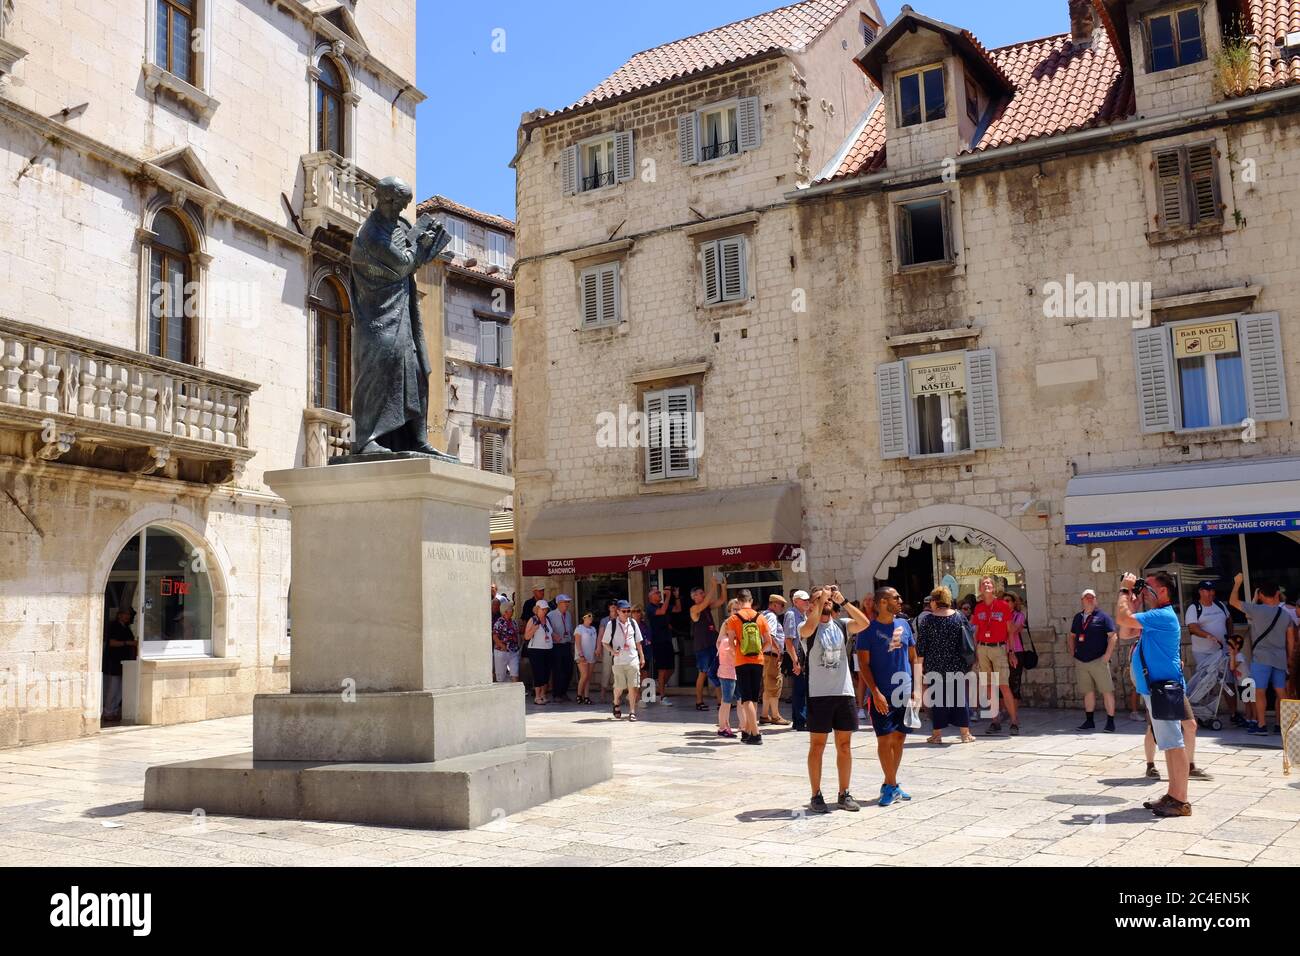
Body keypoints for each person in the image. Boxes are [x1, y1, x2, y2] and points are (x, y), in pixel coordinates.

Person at [1116, 571, 1195, 817]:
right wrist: (1136, 602)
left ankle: (1181, 800)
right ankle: (1173, 795)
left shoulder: (1162, 615)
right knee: (1169, 744)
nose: (1144, 590)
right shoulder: (1154, 617)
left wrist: (1124, 591)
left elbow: (1122, 617)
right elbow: (1125, 632)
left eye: (1148, 587)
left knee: (1174, 742)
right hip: (1156, 688)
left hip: (1163, 687)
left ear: (1162, 591)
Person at [799, 586, 870, 812]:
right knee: (817, 746)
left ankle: (844, 793)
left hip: (844, 693)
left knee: (845, 745)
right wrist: (819, 601)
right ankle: (816, 794)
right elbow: (809, 628)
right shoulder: (805, 627)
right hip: (819, 694)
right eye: (819, 599)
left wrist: (844, 601)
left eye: (827, 599)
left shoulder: (841, 625)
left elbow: (865, 623)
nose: (826, 601)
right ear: (811, 604)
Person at [857, 586, 920, 806]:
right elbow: (863, 664)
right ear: (883, 602)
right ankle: (892, 786)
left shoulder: (904, 625)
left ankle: (890, 784)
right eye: (896, 597)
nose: (900, 600)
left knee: (900, 738)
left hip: (905, 691)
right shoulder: (867, 629)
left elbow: (914, 658)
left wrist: (917, 688)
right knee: (884, 738)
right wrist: (875, 693)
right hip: (882, 694)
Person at [1229, 574, 1296, 736]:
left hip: (1261, 658)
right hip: (1280, 658)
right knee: (1281, 692)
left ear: (1261, 595)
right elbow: (1291, 641)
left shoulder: (1257, 610)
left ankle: (1261, 724)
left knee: (1260, 691)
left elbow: (1233, 602)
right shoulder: (1285, 615)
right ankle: (1283, 725)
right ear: (1277, 594)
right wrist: (1290, 660)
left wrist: (1237, 583)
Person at [917, 587, 975, 744]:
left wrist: (919, 668)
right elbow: (969, 638)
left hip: (935, 666)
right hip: (957, 665)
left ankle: (937, 735)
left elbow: (921, 647)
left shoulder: (927, 620)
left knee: (938, 701)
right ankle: (965, 734)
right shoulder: (959, 617)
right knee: (960, 699)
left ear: (935, 602)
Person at [721, 590, 771, 745]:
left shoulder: (733, 619)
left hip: (741, 661)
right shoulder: (761, 617)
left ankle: (755, 734)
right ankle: (747, 731)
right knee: (754, 698)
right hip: (758, 660)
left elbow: (730, 643)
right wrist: (759, 650)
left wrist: (739, 649)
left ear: (739, 600)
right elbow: (769, 641)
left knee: (746, 699)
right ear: (751, 600)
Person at [971, 576, 1019, 735]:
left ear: (993, 587)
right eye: (983, 583)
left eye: (989, 583)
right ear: (980, 589)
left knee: (1004, 685)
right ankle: (995, 721)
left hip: (999, 648)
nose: (986, 585)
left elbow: (1010, 631)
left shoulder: (1003, 605)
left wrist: (1011, 652)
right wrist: (975, 652)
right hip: (983, 648)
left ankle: (1014, 722)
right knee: (989, 687)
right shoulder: (978, 608)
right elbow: (976, 631)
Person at [1070, 588, 1118, 732]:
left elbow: (1113, 636)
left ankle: (1110, 722)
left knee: (1106, 691)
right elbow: (1071, 636)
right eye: (1086, 598)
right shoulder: (1078, 617)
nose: (1089, 600)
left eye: (1092, 598)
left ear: (1096, 600)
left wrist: (1107, 655)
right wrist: (1072, 652)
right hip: (1081, 661)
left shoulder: (1103, 617)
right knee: (1088, 691)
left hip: (1098, 660)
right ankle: (1089, 721)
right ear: (1082, 601)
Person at [603, 600, 645, 721]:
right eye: (624, 611)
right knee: (620, 686)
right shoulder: (612, 624)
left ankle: (632, 711)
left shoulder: (633, 623)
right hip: (619, 660)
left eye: (628, 611)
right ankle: (616, 701)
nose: (627, 613)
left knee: (633, 686)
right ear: (618, 612)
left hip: (633, 659)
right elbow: (605, 642)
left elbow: (638, 641)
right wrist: (612, 651)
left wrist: (641, 656)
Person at [690, 576, 726, 711]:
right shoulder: (694, 609)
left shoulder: (707, 607)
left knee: (717, 672)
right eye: (699, 593)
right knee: (703, 673)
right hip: (702, 647)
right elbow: (705, 604)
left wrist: (722, 585)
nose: (702, 595)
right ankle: (699, 701)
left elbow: (722, 600)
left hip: (712, 644)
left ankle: (720, 701)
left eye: (702, 593)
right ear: (693, 597)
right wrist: (712, 586)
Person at [1185, 580, 1231, 671]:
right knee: (1207, 680)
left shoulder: (1219, 604)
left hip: (1222, 650)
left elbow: (1229, 620)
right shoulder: (1194, 608)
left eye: (1213, 590)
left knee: (1226, 678)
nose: (1212, 593)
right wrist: (1209, 636)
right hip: (1203, 653)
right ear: (1200, 592)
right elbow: (1193, 628)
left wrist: (1230, 637)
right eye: (1208, 591)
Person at [102, 607, 138, 722]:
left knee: (120, 688)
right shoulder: (114, 626)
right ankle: (108, 711)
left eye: (129, 614)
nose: (128, 616)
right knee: (113, 687)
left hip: (124, 661)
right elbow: (112, 643)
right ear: (119, 615)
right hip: (114, 660)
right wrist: (128, 643)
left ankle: (115, 711)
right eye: (125, 614)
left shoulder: (126, 628)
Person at [759, 594, 790, 726]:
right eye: (782, 605)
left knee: (768, 686)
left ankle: (765, 715)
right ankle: (776, 716)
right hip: (771, 655)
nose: (782, 608)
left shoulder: (763, 614)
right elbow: (770, 636)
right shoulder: (771, 616)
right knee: (775, 685)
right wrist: (778, 651)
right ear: (775, 604)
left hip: (766, 655)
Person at [647, 586, 680, 706]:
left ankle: (660, 686)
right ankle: (662, 696)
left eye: (660, 592)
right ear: (650, 597)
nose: (659, 594)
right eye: (657, 593)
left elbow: (677, 609)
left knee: (671, 669)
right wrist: (668, 597)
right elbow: (661, 612)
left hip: (667, 640)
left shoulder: (663, 604)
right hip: (658, 641)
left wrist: (676, 597)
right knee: (662, 669)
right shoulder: (650, 607)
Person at [783, 590, 811, 731]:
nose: (807, 602)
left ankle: (799, 720)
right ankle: (801, 721)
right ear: (795, 601)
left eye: (807, 600)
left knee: (801, 688)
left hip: (802, 656)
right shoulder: (791, 614)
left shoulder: (803, 615)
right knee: (800, 689)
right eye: (804, 600)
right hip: (796, 656)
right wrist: (795, 661)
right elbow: (788, 640)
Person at [715, 609, 740, 738]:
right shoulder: (727, 642)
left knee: (728, 701)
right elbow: (734, 655)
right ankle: (722, 727)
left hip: (728, 673)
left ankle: (725, 726)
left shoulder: (725, 640)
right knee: (726, 702)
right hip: (728, 674)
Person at [524, 599, 553, 705]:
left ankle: (543, 695)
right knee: (538, 673)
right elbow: (526, 636)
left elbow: (551, 633)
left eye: (546, 609)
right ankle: (537, 696)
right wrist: (534, 629)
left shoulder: (548, 619)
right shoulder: (532, 620)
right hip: (536, 649)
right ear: (537, 609)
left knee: (546, 673)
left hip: (548, 648)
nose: (544, 611)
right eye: (543, 609)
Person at [547, 595, 575, 703]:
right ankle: (557, 694)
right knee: (558, 670)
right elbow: (547, 629)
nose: (567, 604)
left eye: (568, 602)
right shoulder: (551, 615)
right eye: (565, 602)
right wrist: (554, 635)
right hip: (556, 646)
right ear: (558, 603)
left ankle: (564, 692)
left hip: (566, 644)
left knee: (568, 669)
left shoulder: (568, 614)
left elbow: (569, 627)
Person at [853, 592, 875, 721]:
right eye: (865, 599)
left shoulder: (878, 615)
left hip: (875, 650)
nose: (867, 602)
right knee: (862, 679)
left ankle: (873, 706)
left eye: (870, 599)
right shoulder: (859, 614)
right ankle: (861, 708)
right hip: (860, 650)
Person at [492, 600, 522, 684]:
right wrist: (502, 645)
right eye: (511, 609)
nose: (512, 610)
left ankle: (515, 693)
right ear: (505, 611)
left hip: (513, 652)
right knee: (501, 677)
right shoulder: (499, 622)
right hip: (502, 652)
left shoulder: (513, 622)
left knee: (515, 673)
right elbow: (495, 636)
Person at [596, 600, 620, 703]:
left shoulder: (621, 619)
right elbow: (600, 635)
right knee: (606, 671)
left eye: (615, 605)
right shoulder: (604, 620)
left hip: (619, 649)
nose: (613, 607)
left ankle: (617, 698)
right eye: (611, 605)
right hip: (608, 648)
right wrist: (598, 647)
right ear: (608, 607)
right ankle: (602, 695)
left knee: (618, 673)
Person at [574, 611, 599, 704]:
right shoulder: (579, 628)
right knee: (584, 675)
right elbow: (577, 642)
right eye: (588, 616)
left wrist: (597, 650)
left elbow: (595, 641)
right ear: (583, 618)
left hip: (591, 655)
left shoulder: (593, 629)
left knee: (588, 677)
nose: (591, 618)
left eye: (592, 616)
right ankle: (579, 695)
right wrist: (581, 655)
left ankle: (586, 697)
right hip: (582, 656)